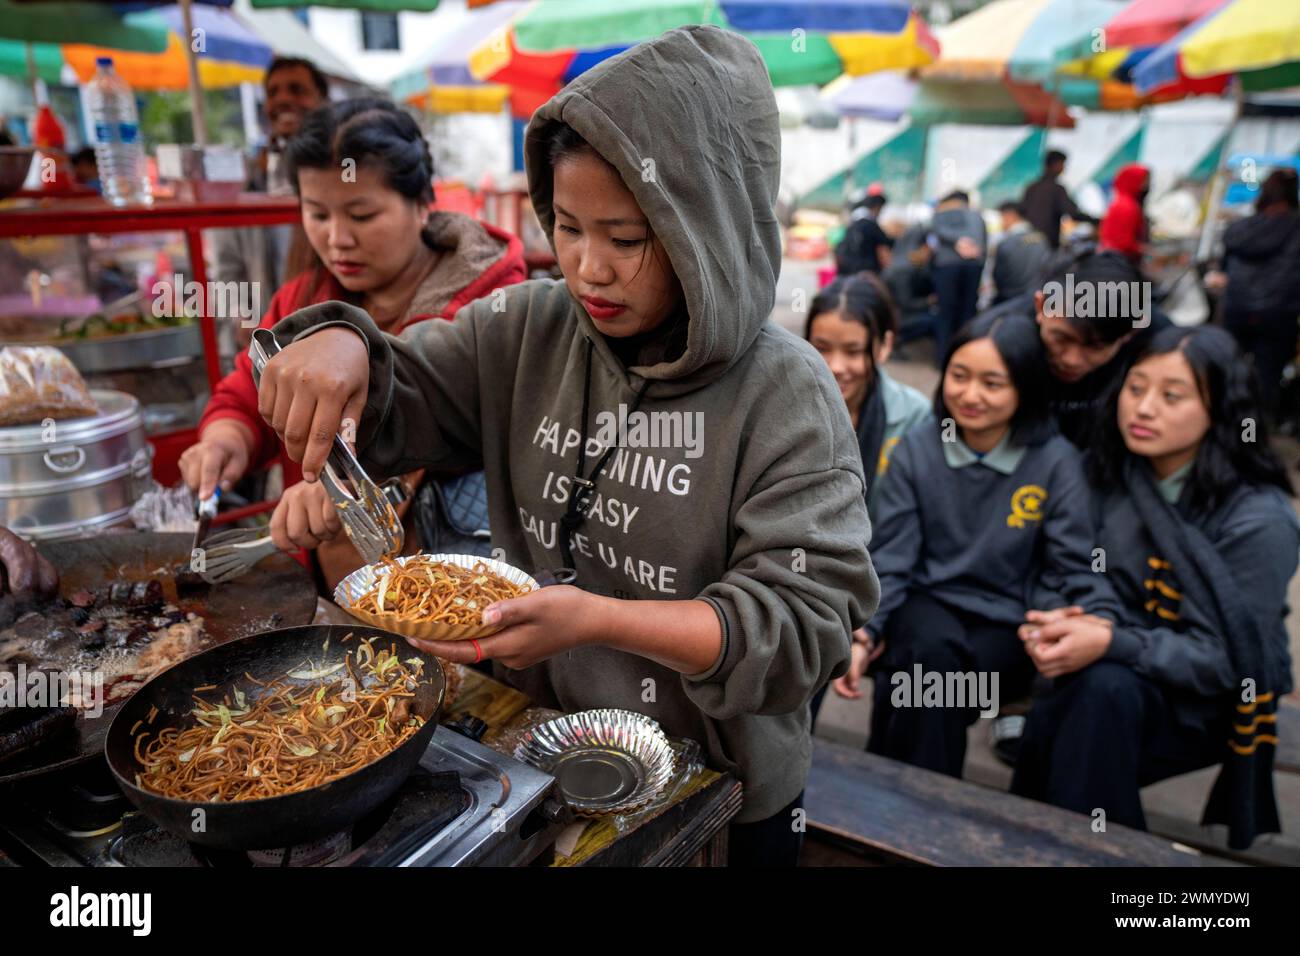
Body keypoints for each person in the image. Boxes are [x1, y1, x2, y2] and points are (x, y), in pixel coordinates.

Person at [253, 27, 877, 867]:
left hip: (718, 793)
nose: (589, 269)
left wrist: (600, 621)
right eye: (570, 227)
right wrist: (348, 344)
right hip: (539, 752)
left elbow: (805, 626)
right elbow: (411, 390)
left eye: (626, 239)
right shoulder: (530, 328)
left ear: (709, 231)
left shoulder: (786, 394)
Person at [181, 98, 527, 590]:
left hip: (454, 580)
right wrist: (226, 439)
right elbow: (247, 387)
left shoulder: (490, 306)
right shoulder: (301, 302)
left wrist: (346, 488)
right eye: (317, 213)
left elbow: (475, 429)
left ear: (422, 202)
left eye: (361, 215)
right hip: (338, 579)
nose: (337, 238)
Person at [1012, 325, 1298, 850]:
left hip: (1203, 700)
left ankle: (1078, 854)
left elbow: (1232, 661)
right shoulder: (1109, 471)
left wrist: (1110, 641)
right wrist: (1062, 619)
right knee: (1089, 694)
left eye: (1172, 397)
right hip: (1107, 677)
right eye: (1136, 387)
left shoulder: (1259, 520)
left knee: (1095, 694)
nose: (1143, 409)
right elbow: (1062, 569)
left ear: (1221, 408)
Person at [835, 312, 1117, 777]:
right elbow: (895, 558)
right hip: (928, 608)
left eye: (992, 383)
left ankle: (899, 805)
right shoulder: (919, 448)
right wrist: (866, 632)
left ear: (1025, 386)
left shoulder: (1057, 463)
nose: (970, 395)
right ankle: (921, 810)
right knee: (929, 659)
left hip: (1007, 624)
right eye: (959, 376)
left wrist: (1062, 619)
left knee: (927, 678)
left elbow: (1068, 564)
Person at [804, 273, 931, 725]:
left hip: (879, 574)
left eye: (854, 351)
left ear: (883, 346)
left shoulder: (914, 417)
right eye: (821, 346)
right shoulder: (785, 404)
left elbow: (908, 530)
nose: (836, 365)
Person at [209, 57, 330, 348]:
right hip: (269, 341)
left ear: (323, 101)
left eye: (297, 90)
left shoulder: (341, 170)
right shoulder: (251, 181)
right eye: (273, 93)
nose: (284, 100)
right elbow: (228, 268)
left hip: (330, 333)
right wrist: (240, 316)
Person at [1031, 247, 1168, 447]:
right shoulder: (1003, 337)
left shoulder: (1158, 341)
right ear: (1041, 306)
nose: (1072, 360)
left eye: (1096, 347)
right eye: (1061, 339)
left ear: (1131, 332)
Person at [1211, 169, 1300, 420]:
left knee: (1229, 370)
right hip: (1278, 313)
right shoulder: (1295, 227)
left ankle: (1223, 424)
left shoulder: (1242, 228)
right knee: (1266, 377)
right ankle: (1252, 435)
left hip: (1237, 308)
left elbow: (1224, 269)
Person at [928, 190, 987, 364]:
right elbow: (984, 242)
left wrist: (957, 241)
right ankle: (964, 356)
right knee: (968, 311)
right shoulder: (977, 216)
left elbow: (934, 232)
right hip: (973, 264)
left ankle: (942, 357)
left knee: (945, 311)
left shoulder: (941, 214)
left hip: (947, 266)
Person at [1021, 149, 1096, 250]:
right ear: (1056, 165)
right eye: (1062, 165)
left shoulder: (1031, 188)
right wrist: (1096, 221)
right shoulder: (1056, 189)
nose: (1063, 169)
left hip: (1028, 241)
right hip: (1047, 243)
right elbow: (1072, 213)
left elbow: (1022, 212)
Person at [991, 201, 1049, 304]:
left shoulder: (1006, 243)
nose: (1001, 223)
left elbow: (998, 277)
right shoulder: (1042, 239)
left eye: (1001, 218)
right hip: (1038, 298)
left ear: (1009, 216)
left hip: (1011, 299)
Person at [1098, 162, 1150, 264]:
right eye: (1144, 180)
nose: (1146, 186)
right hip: (1119, 262)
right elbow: (1121, 242)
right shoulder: (1126, 206)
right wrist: (1144, 250)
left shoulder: (1125, 203)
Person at [834, 191, 892, 277]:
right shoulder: (870, 225)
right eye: (880, 209)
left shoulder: (852, 224)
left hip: (849, 271)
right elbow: (885, 244)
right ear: (876, 207)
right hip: (865, 272)